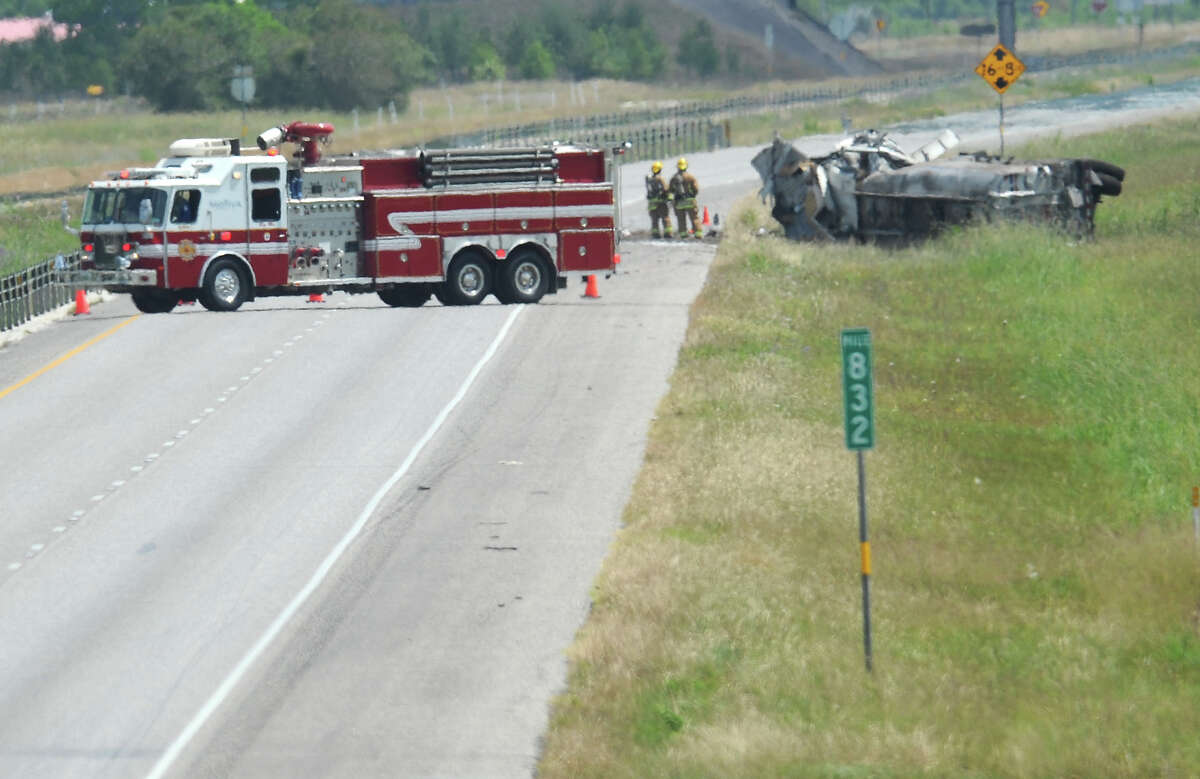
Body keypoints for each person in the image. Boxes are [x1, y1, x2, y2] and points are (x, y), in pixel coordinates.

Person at [669, 157, 701, 238]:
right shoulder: (690, 177)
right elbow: (696, 189)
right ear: (686, 166)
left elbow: (670, 190)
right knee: (694, 218)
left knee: (681, 220)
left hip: (679, 203)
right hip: (690, 202)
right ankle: (698, 234)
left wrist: (672, 200)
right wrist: (693, 195)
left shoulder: (674, 178)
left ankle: (683, 234)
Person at [645, 161, 673, 239]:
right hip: (661, 203)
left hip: (652, 204)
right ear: (660, 169)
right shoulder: (660, 178)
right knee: (665, 218)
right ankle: (668, 233)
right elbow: (666, 188)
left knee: (654, 220)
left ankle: (655, 234)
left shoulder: (649, 179)